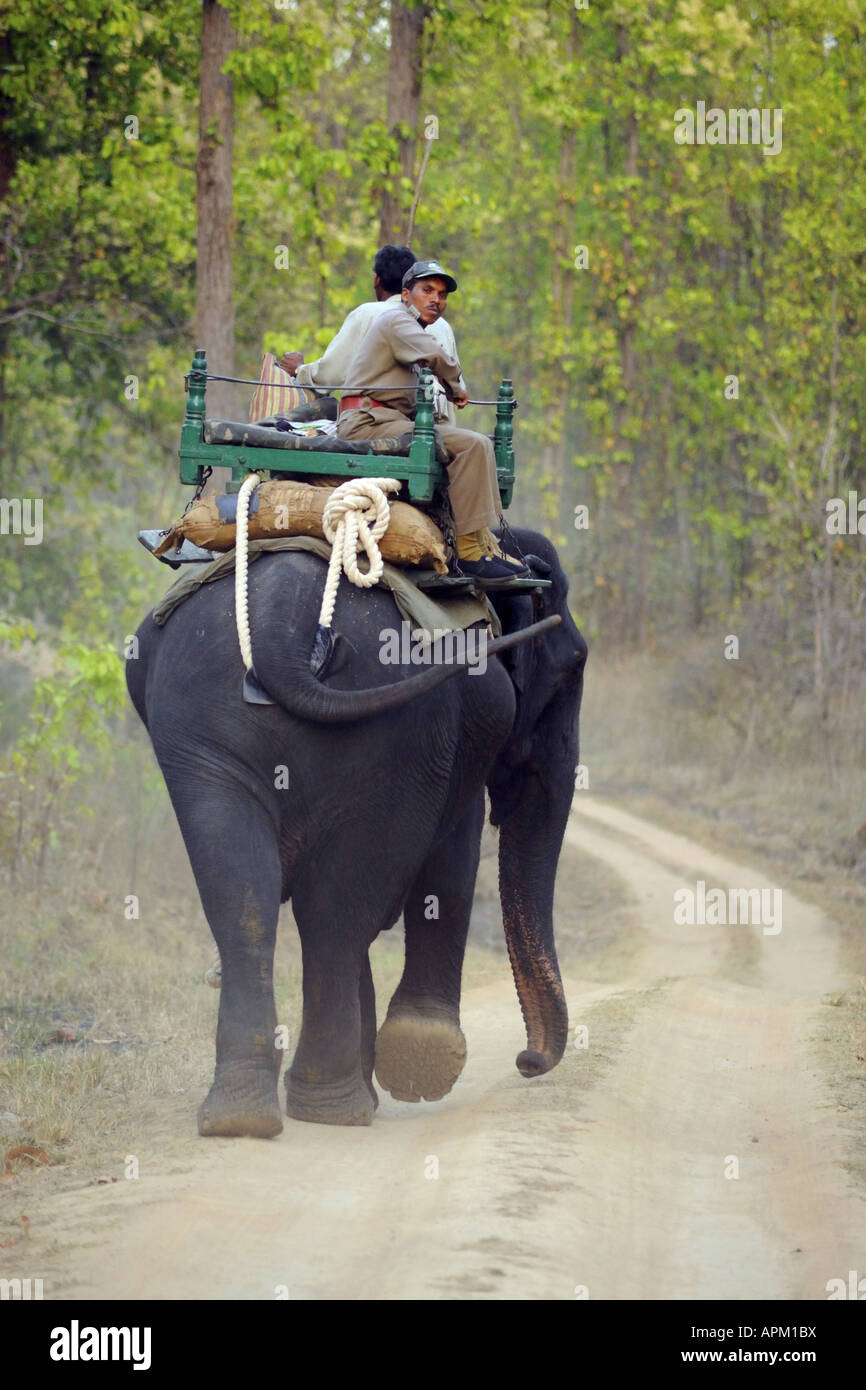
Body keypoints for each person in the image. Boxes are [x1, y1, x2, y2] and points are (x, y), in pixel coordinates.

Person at [336, 260, 529, 585]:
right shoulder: (397, 320)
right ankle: (469, 553)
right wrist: (456, 386)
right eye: (427, 291)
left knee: (473, 441)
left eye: (442, 294)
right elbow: (437, 355)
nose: (436, 300)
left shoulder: (409, 330)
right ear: (405, 294)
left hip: (387, 420)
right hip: (366, 422)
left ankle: (483, 542)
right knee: (472, 445)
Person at [280, 245, 461, 425]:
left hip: (388, 425)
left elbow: (330, 376)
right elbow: (456, 387)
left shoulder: (370, 313)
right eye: (428, 290)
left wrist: (300, 370)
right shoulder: (442, 325)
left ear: (377, 280)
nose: (435, 299)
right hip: (435, 427)